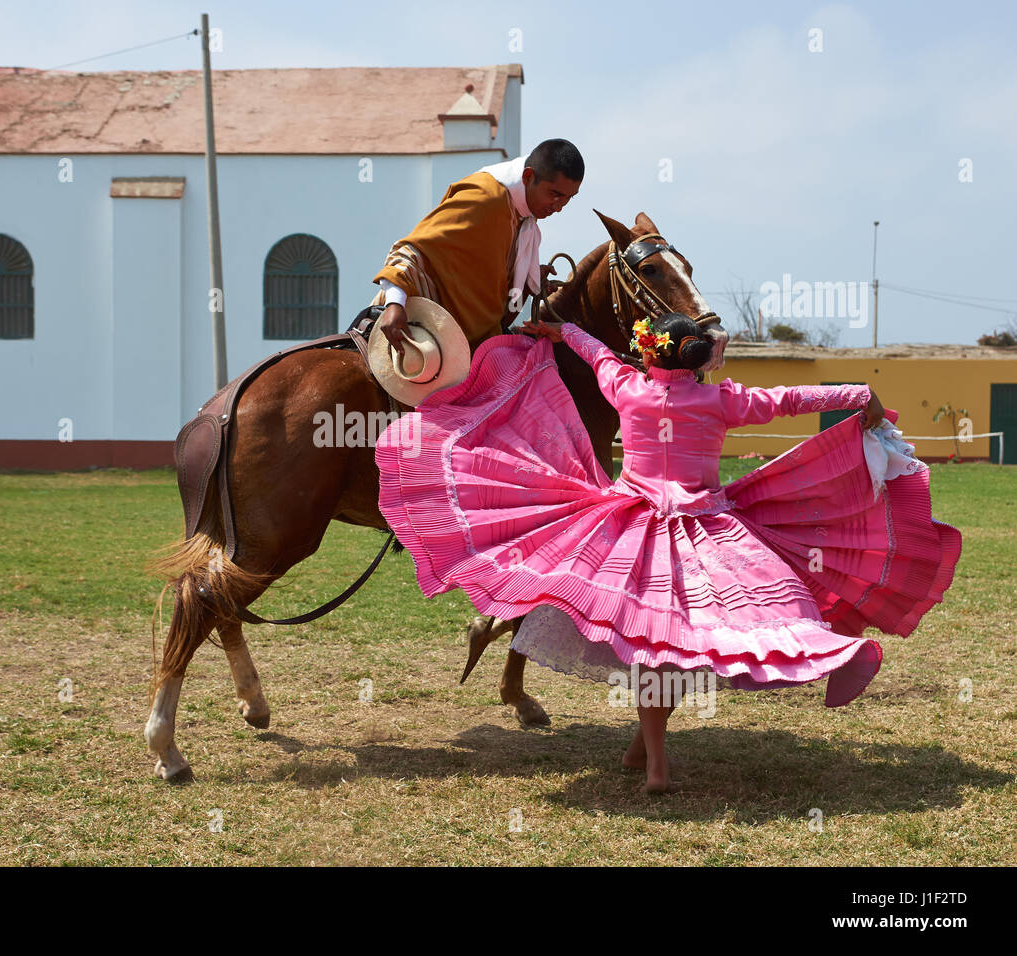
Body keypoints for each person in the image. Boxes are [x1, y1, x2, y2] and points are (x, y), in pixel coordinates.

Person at [373, 313, 961, 795]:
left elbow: (596, 353)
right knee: (692, 644)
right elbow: (794, 397)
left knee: (660, 646)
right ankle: (653, 763)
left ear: (649, 357)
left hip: (628, 528)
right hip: (710, 534)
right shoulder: (724, 402)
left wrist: (560, 330)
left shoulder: (627, 388)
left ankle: (644, 757)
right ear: (698, 358)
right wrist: (862, 394)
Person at [371, 139, 584, 357]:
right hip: (415, 332)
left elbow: (490, 287)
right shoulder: (485, 198)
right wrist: (394, 305)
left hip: (470, 343)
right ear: (528, 177)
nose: (559, 207)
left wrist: (530, 282)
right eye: (555, 194)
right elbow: (411, 250)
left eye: (568, 199)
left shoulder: (525, 215)